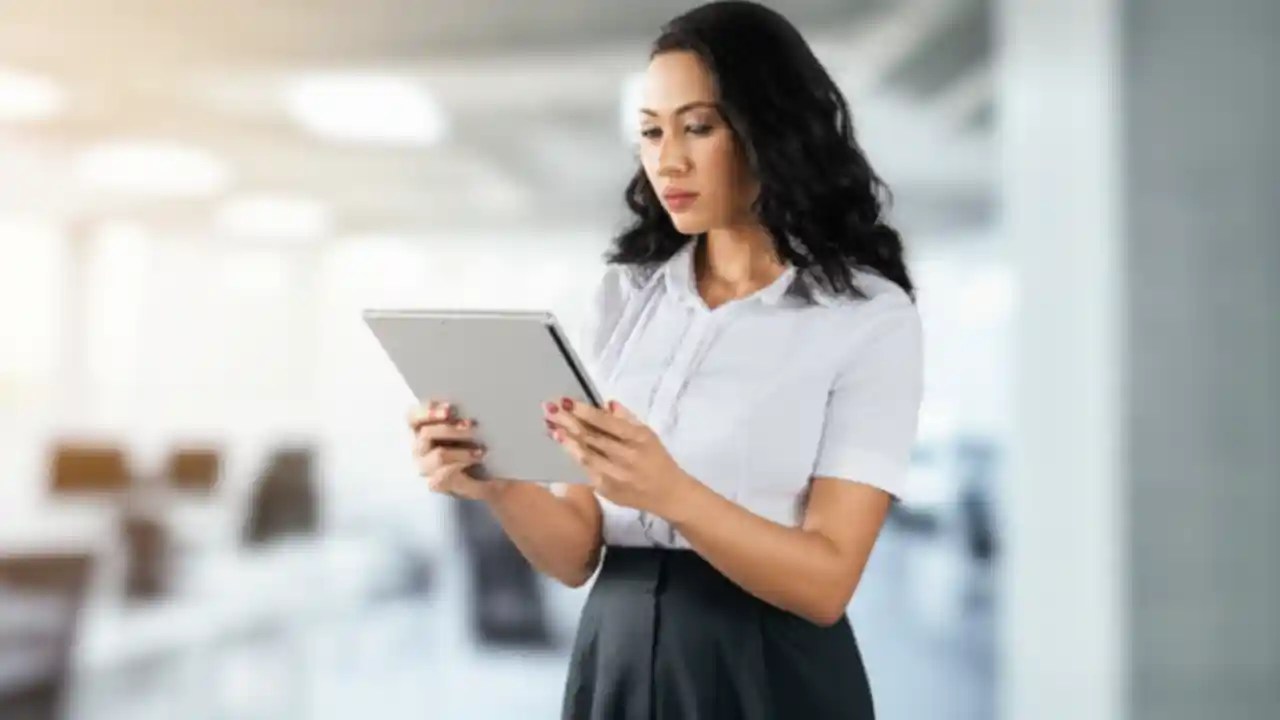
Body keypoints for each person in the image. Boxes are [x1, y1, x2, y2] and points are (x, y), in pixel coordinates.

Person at [406, 2, 922, 717]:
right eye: (651, 131)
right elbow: (577, 553)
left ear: (770, 128)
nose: (667, 159)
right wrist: (495, 481)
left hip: (767, 667)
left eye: (698, 127)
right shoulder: (627, 297)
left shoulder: (865, 317)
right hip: (614, 653)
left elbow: (828, 582)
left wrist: (669, 491)